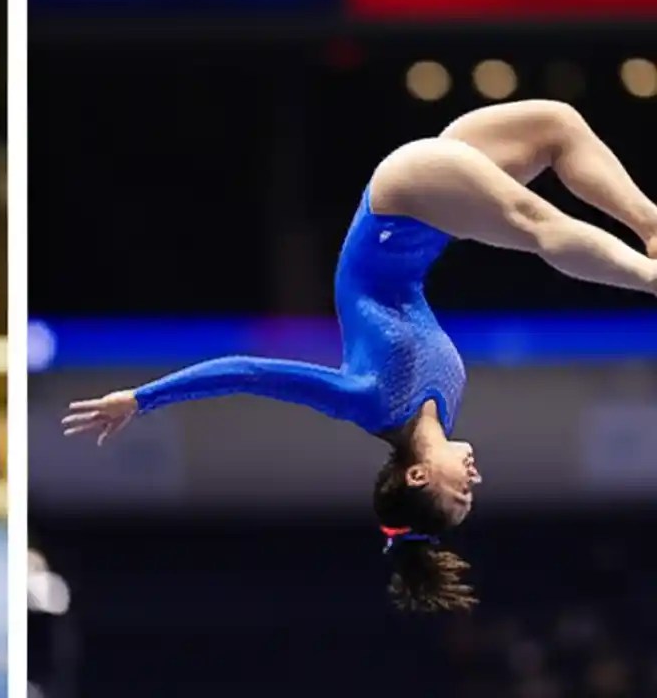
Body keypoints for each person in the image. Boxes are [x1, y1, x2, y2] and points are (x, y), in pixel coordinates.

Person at [62, 100, 657, 613]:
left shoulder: (368, 400)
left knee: (535, 224)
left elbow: (247, 372)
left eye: (461, 493)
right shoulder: (444, 412)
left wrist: (142, 398)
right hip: (434, 218)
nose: (474, 480)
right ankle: (651, 227)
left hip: (401, 205)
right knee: (557, 127)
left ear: (418, 475)